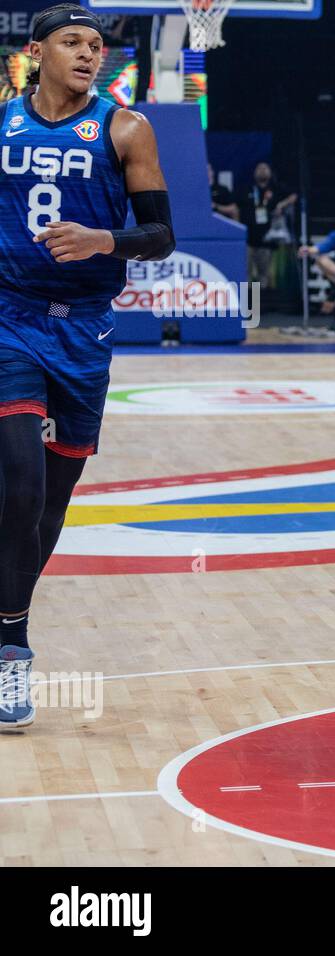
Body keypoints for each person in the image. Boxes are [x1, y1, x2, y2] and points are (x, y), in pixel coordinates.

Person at [0, 4, 175, 727]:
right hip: (10, 318)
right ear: (36, 50)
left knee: (49, 505)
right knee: (18, 477)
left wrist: (105, 241)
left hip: (86, 334)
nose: (88, 54)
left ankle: (7, 614)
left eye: (96, 44)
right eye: (72, 42)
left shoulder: (125, 128)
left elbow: (162, 235)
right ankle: (13, 653)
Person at [240, 161, 297, 291]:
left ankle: (259, 308)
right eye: (259, 168)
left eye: (265, 168)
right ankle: (247, 307)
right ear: (254, 172)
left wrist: (281, 205)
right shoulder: (247, 188)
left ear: (270, 172)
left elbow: (293, 196)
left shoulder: (276, 188)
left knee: (263, 276)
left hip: (266, 240)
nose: (262, 171)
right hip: (247, 239)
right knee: (246, 275)